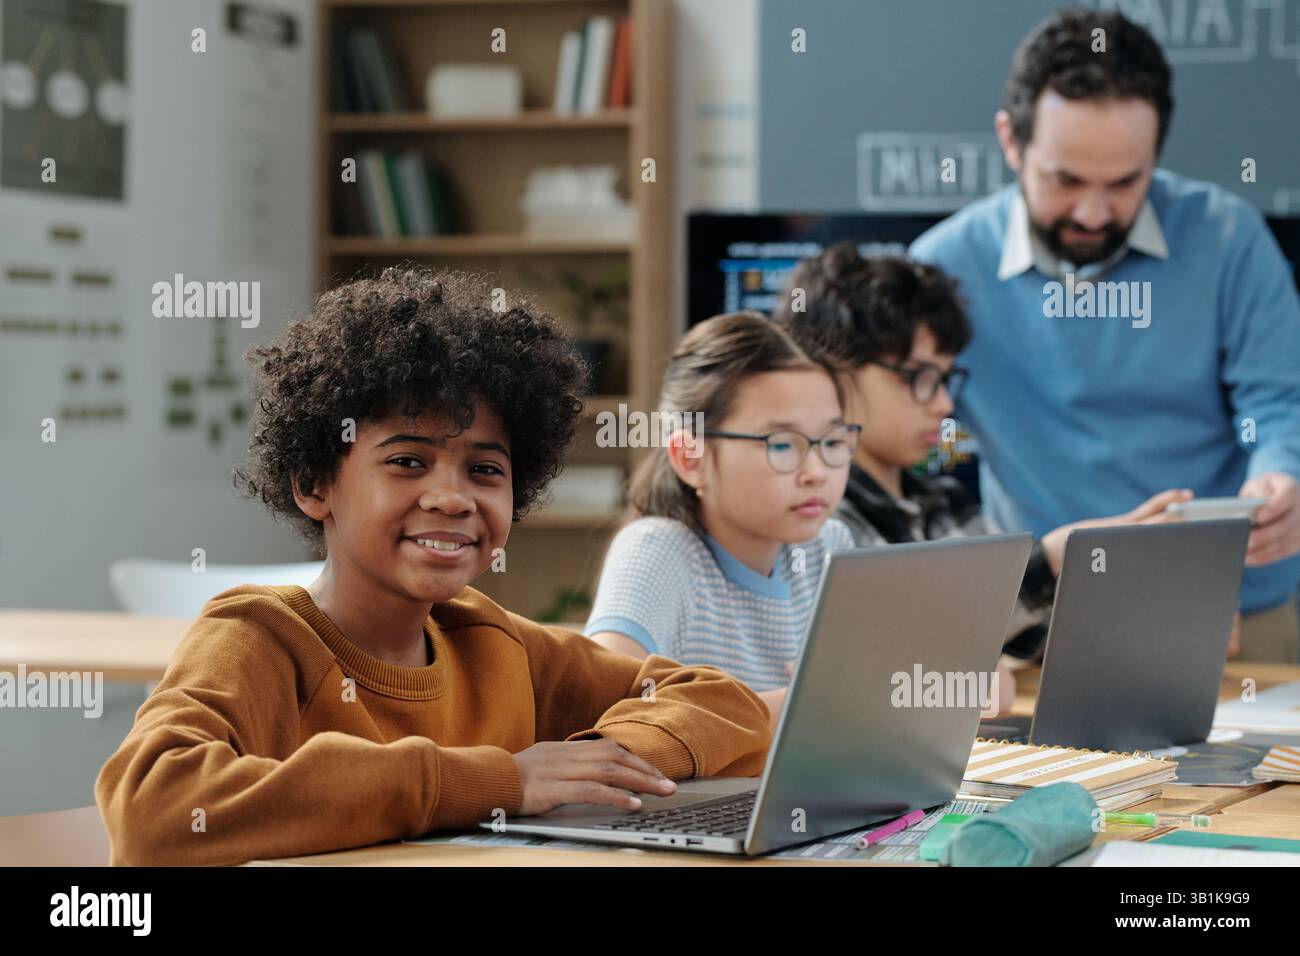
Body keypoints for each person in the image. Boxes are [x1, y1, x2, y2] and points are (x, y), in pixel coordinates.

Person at [94, 268, 770, 865]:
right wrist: (499, 781)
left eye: (484, 470)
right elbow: (154, 808)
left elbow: (714, 700)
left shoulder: (491, 640)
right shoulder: (259, 638)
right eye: (407, 462)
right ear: (313, 482)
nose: (452, 497)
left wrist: (597, 764)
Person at [909, 8, 1300, 660]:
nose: (1094, 214)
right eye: (1065, 180)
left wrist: (1283, 476)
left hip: (1239, 615)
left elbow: (1280, 403)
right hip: (1037, 623)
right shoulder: (944, 269)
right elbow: (888, 431)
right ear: (1011, 142)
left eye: (1126, 183)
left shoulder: (1228, 238)